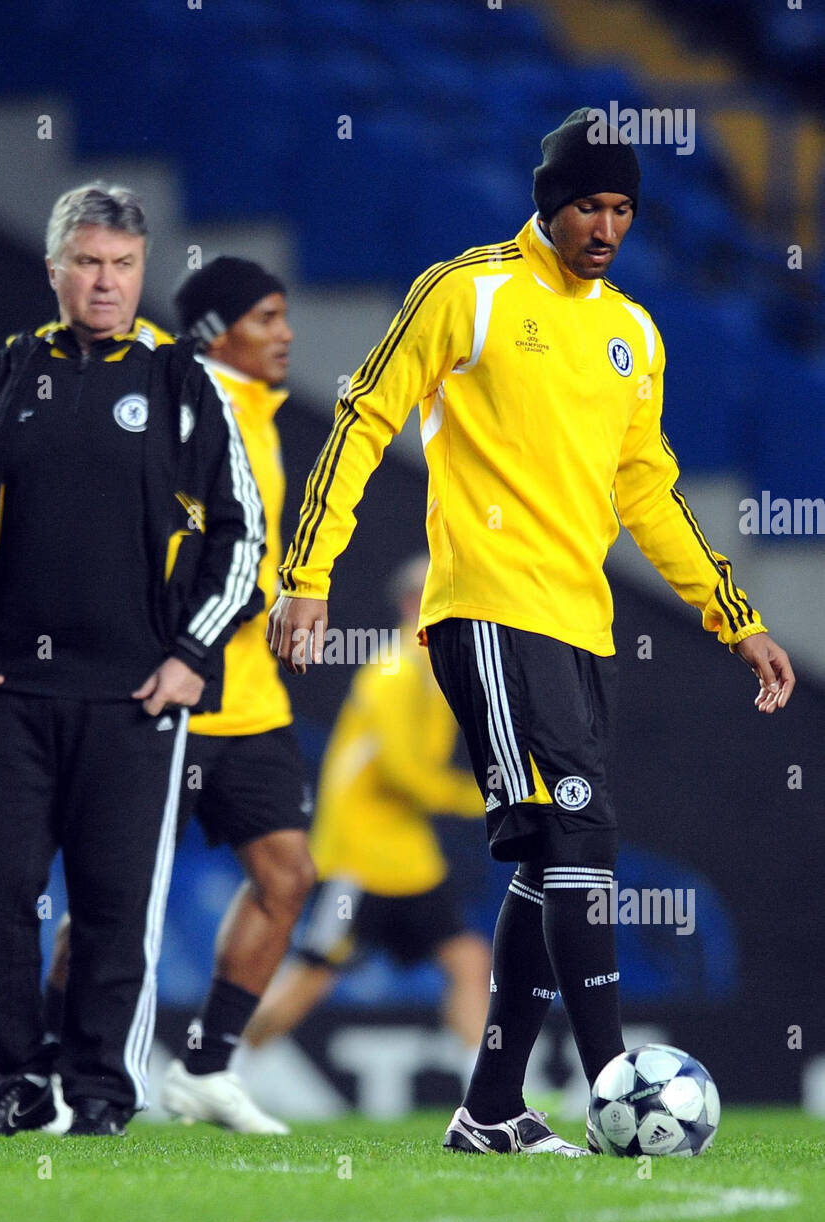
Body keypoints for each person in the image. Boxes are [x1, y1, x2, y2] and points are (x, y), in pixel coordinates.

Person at [267, 109, 794, 1157]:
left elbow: (647, 492)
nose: (605, 225)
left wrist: (732, 617)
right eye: (588, 204)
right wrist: (308, 572)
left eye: (621, 209)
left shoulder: (631, 332)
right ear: (548, 202)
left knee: (548, 859)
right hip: (486, 608)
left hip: (577, 626)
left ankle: (491, 1107)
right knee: (581, 836)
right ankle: (612, 1078)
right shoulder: (466, 292)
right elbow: (365, 411)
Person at [0, 186, 265, 1137]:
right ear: (55, 268)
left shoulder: (183, 382)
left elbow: (245, 537)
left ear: (141, 273)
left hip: (135, 697)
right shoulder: (4, 376)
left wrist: (193, 654)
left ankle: (104, 1091)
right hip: (8, 692)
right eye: (87, 263)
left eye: (122, 266)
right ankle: (21, 1076)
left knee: (115, 906)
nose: (104, 282)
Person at [43, 257, 316, 1133]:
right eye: (266, 317)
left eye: (282, 316)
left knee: (287, 876)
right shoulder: (173, 392)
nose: (283, 333)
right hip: (162, 688)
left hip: (254, 701)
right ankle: (47, 1072)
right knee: (108, 897)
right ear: (214, 333)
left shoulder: (265, 415)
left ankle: (204, 1067)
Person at [246, 555, 490, 1054]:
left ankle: (482, 1090)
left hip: (406, 857)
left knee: (468, 961)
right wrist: (487, 799)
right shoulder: (396, 672)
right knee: (313, 979)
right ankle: (213, 1064)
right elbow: (406, 775)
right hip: (357, 858)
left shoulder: (430, 668)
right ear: (409, 604)